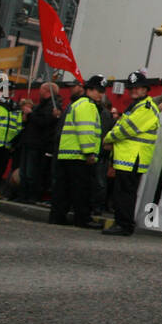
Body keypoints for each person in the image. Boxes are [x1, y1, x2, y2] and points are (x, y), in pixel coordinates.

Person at [102, 71, 161, 236]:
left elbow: (128, 129)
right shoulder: (137, 106)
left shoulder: (146, 107)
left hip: (133, 157)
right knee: (123, 192)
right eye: (132, 88)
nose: (134, 91)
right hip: (128, 157)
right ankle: (122, 222)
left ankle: (124, 224)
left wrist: (108, 138)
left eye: (138, 88)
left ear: (145, 90)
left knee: (125, 193)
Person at [50, 75, 106, 229]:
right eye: (98, 90)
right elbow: (86, 130)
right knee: (82, 190)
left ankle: (58, 217)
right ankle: (83, 219)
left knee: (64, 189)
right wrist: (89, 153)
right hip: (79, 155)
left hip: (67, 153)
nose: (100, 94)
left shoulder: (77, 103)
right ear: (89, 90)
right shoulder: (88, 105)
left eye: (102, 91)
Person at [18, 82, 63, 204]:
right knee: (24, 172)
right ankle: (23, 195)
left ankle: (31, 196)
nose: (39, 92)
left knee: (31, 172)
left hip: (38, 144)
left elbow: (44, 122)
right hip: (28, 141)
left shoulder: (53, 107)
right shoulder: (40, 106)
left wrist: (31, 114)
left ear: (47, 91)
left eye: (41, 90)